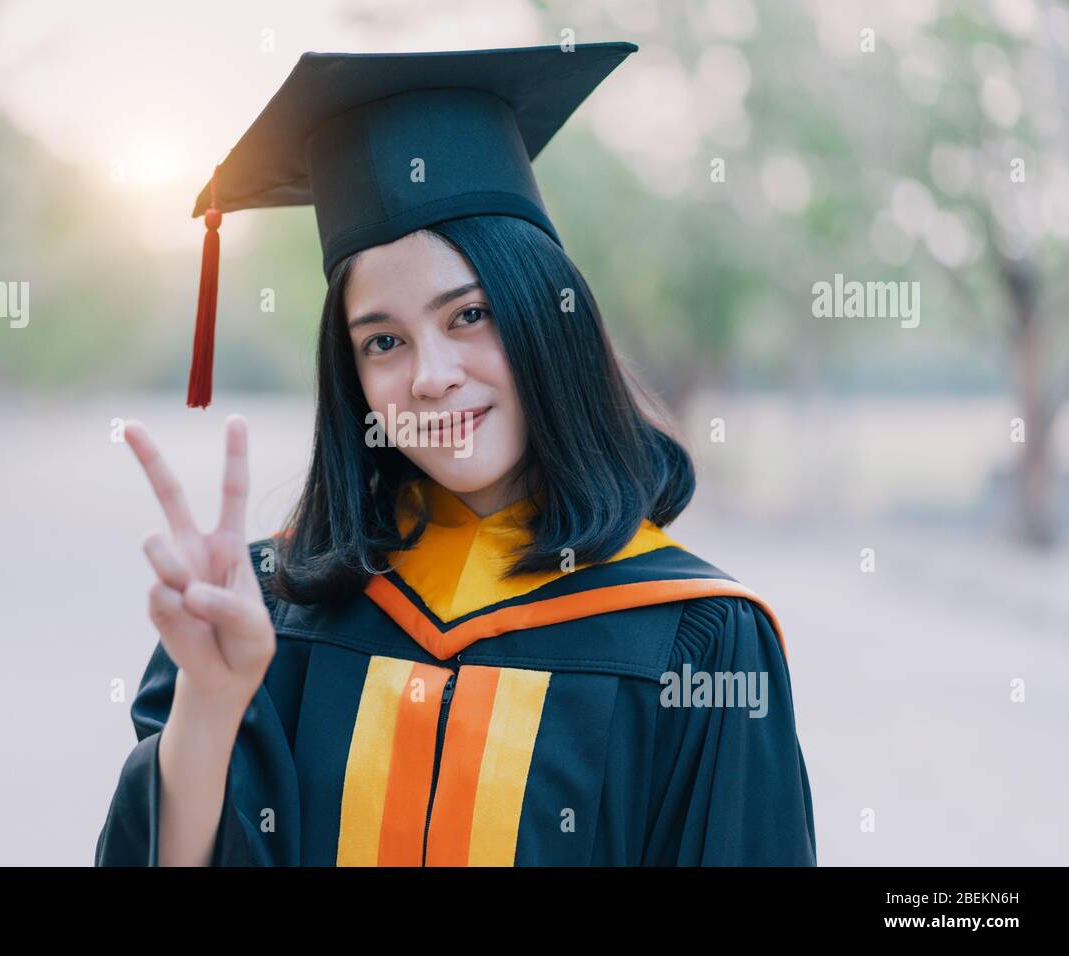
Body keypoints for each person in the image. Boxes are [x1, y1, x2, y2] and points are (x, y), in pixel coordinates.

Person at [95, 43, 817, 866]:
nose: (431, 378)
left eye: (469, 316)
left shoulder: (695, 635)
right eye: (384, 341)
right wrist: (212, 708)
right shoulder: (270, 613)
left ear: (550, 318)